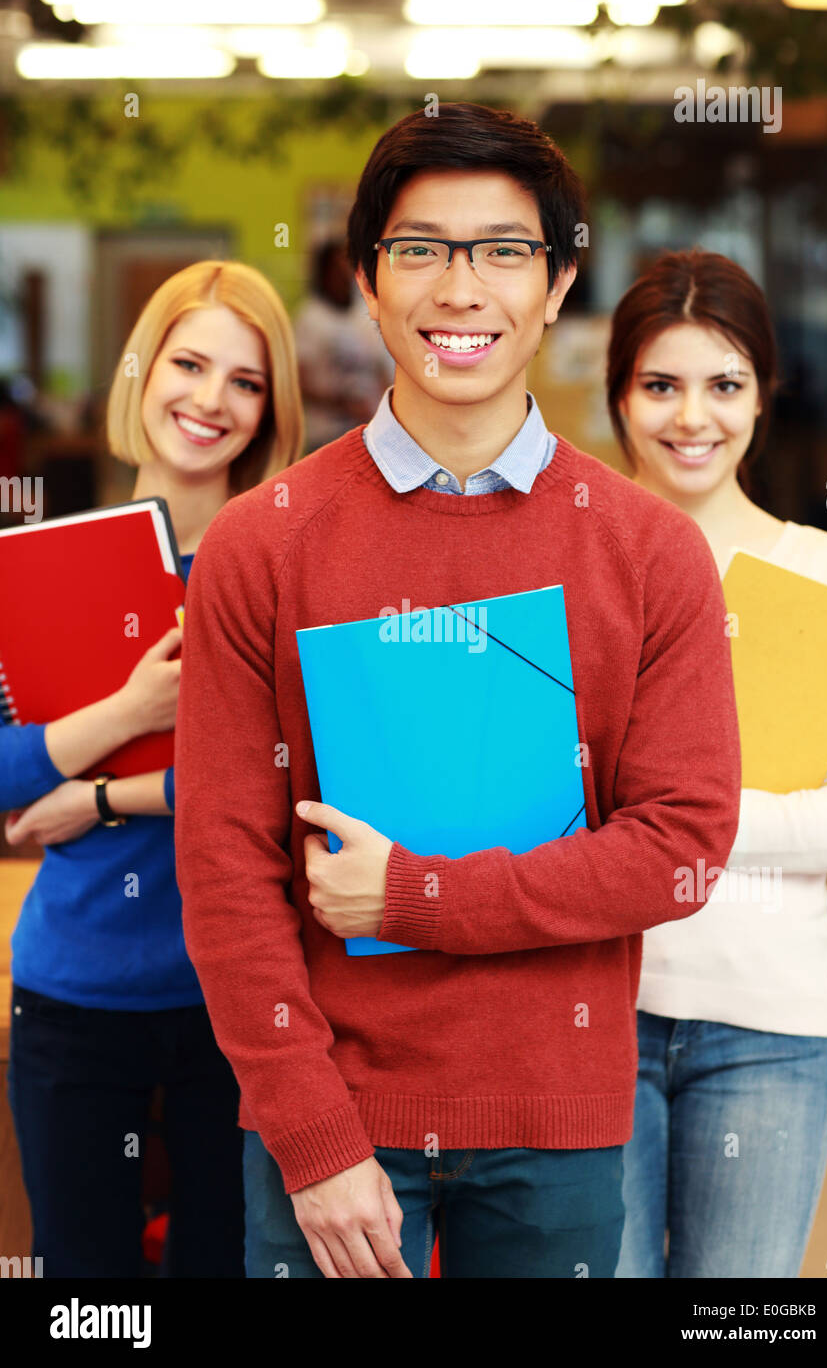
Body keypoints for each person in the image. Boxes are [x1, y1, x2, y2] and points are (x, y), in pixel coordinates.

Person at [174, 104, 741, 1280]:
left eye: (502, 250)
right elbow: (225, 870)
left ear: (558, 281)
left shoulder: (645, 551)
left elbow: (679, 844)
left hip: (559, 1120)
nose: (460, 287)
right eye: (420, 249)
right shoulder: (260, 545)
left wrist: (415, 897)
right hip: (330, 1119)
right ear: (366, 283)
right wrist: (313, 1135)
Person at [3, 260, 302, 1277]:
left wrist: (90, 797)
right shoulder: (39, 565)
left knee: (226, 1265)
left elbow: (284, 781)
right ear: (140, 369)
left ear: (270, 410)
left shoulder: (276, 574)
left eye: (246, 381)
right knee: (85, 1289)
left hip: (239, 1006)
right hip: (74, 996)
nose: (210, 400)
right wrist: (129, 712)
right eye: (188, 363)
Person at [608, 248, 827, 1279]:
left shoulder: (817, 570)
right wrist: (752, 813)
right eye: (659, 385)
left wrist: (668, 819)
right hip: (593, 1010)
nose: (690, 418)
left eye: (722, 385)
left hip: (769, 1024)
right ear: (620, 394)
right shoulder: (571, 561)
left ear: (761, 395)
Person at [294, 237, 393, 453]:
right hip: (325, 433)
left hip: (370, 430)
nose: (343, 272)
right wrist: (343, 403)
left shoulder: (365, 313)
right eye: (337, 266)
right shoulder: (311, 317)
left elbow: (381, 370)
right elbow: (299, 382)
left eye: (347, 265)